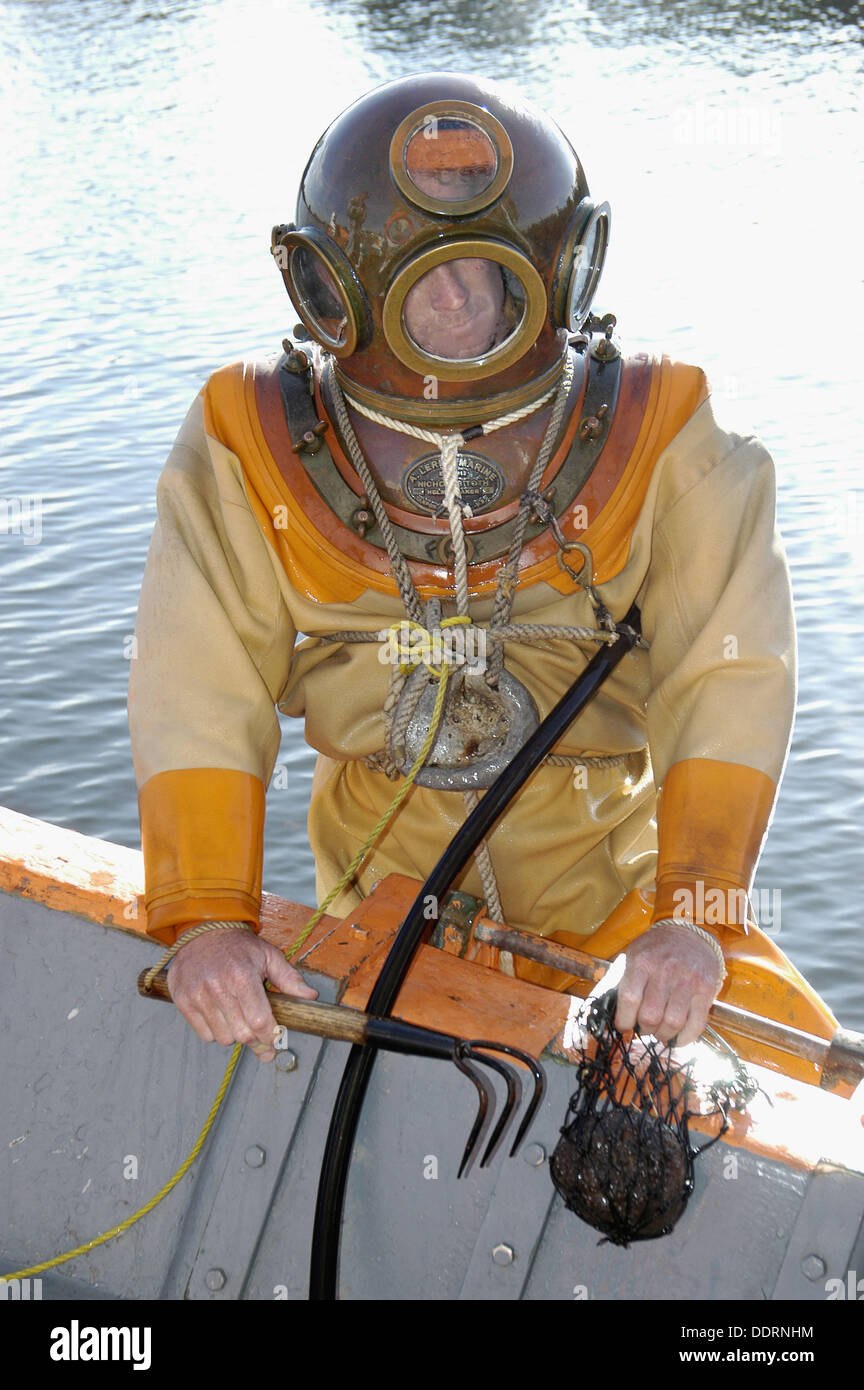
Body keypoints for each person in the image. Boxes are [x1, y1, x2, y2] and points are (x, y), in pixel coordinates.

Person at [128, 72, 836, 1070]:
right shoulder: (250, 443)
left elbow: (732, 675)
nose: (454, 301)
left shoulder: (664, 430)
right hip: (383, 903)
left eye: (480, 268)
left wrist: (694, 919)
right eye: (417, 272)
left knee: (804, 1087)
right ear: (333, 286)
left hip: (616, 900)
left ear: (556, 269)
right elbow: (195, 682)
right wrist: (204, 918)